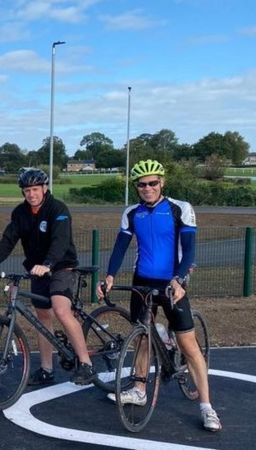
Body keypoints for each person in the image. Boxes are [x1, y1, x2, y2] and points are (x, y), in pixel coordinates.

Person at [97, 159, 221, 432]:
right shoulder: (131, 213)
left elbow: (188, 249)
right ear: (136, 187)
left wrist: (179, 280)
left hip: (172, 282)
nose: (147, 188)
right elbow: (120, 247)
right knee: (142, 336)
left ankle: (206, 406)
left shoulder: (180, 209)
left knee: (188, 345)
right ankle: (140, 389)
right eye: (142, 184)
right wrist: (109, 276)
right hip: (142, 282)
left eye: (153, 183)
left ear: (162, 183)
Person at [0, 168, 96, 386]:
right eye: (27, 191)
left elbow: (60, 241)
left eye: (35, 189)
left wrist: (48, 264)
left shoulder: (57, 208)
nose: (31, 194)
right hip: (37, 270)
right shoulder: (20, 213)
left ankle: (86, 363)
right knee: (42, 318)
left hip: (61, 267)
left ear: (44, 188)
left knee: (61, 309)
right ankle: (46, 369)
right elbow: (8, 239)